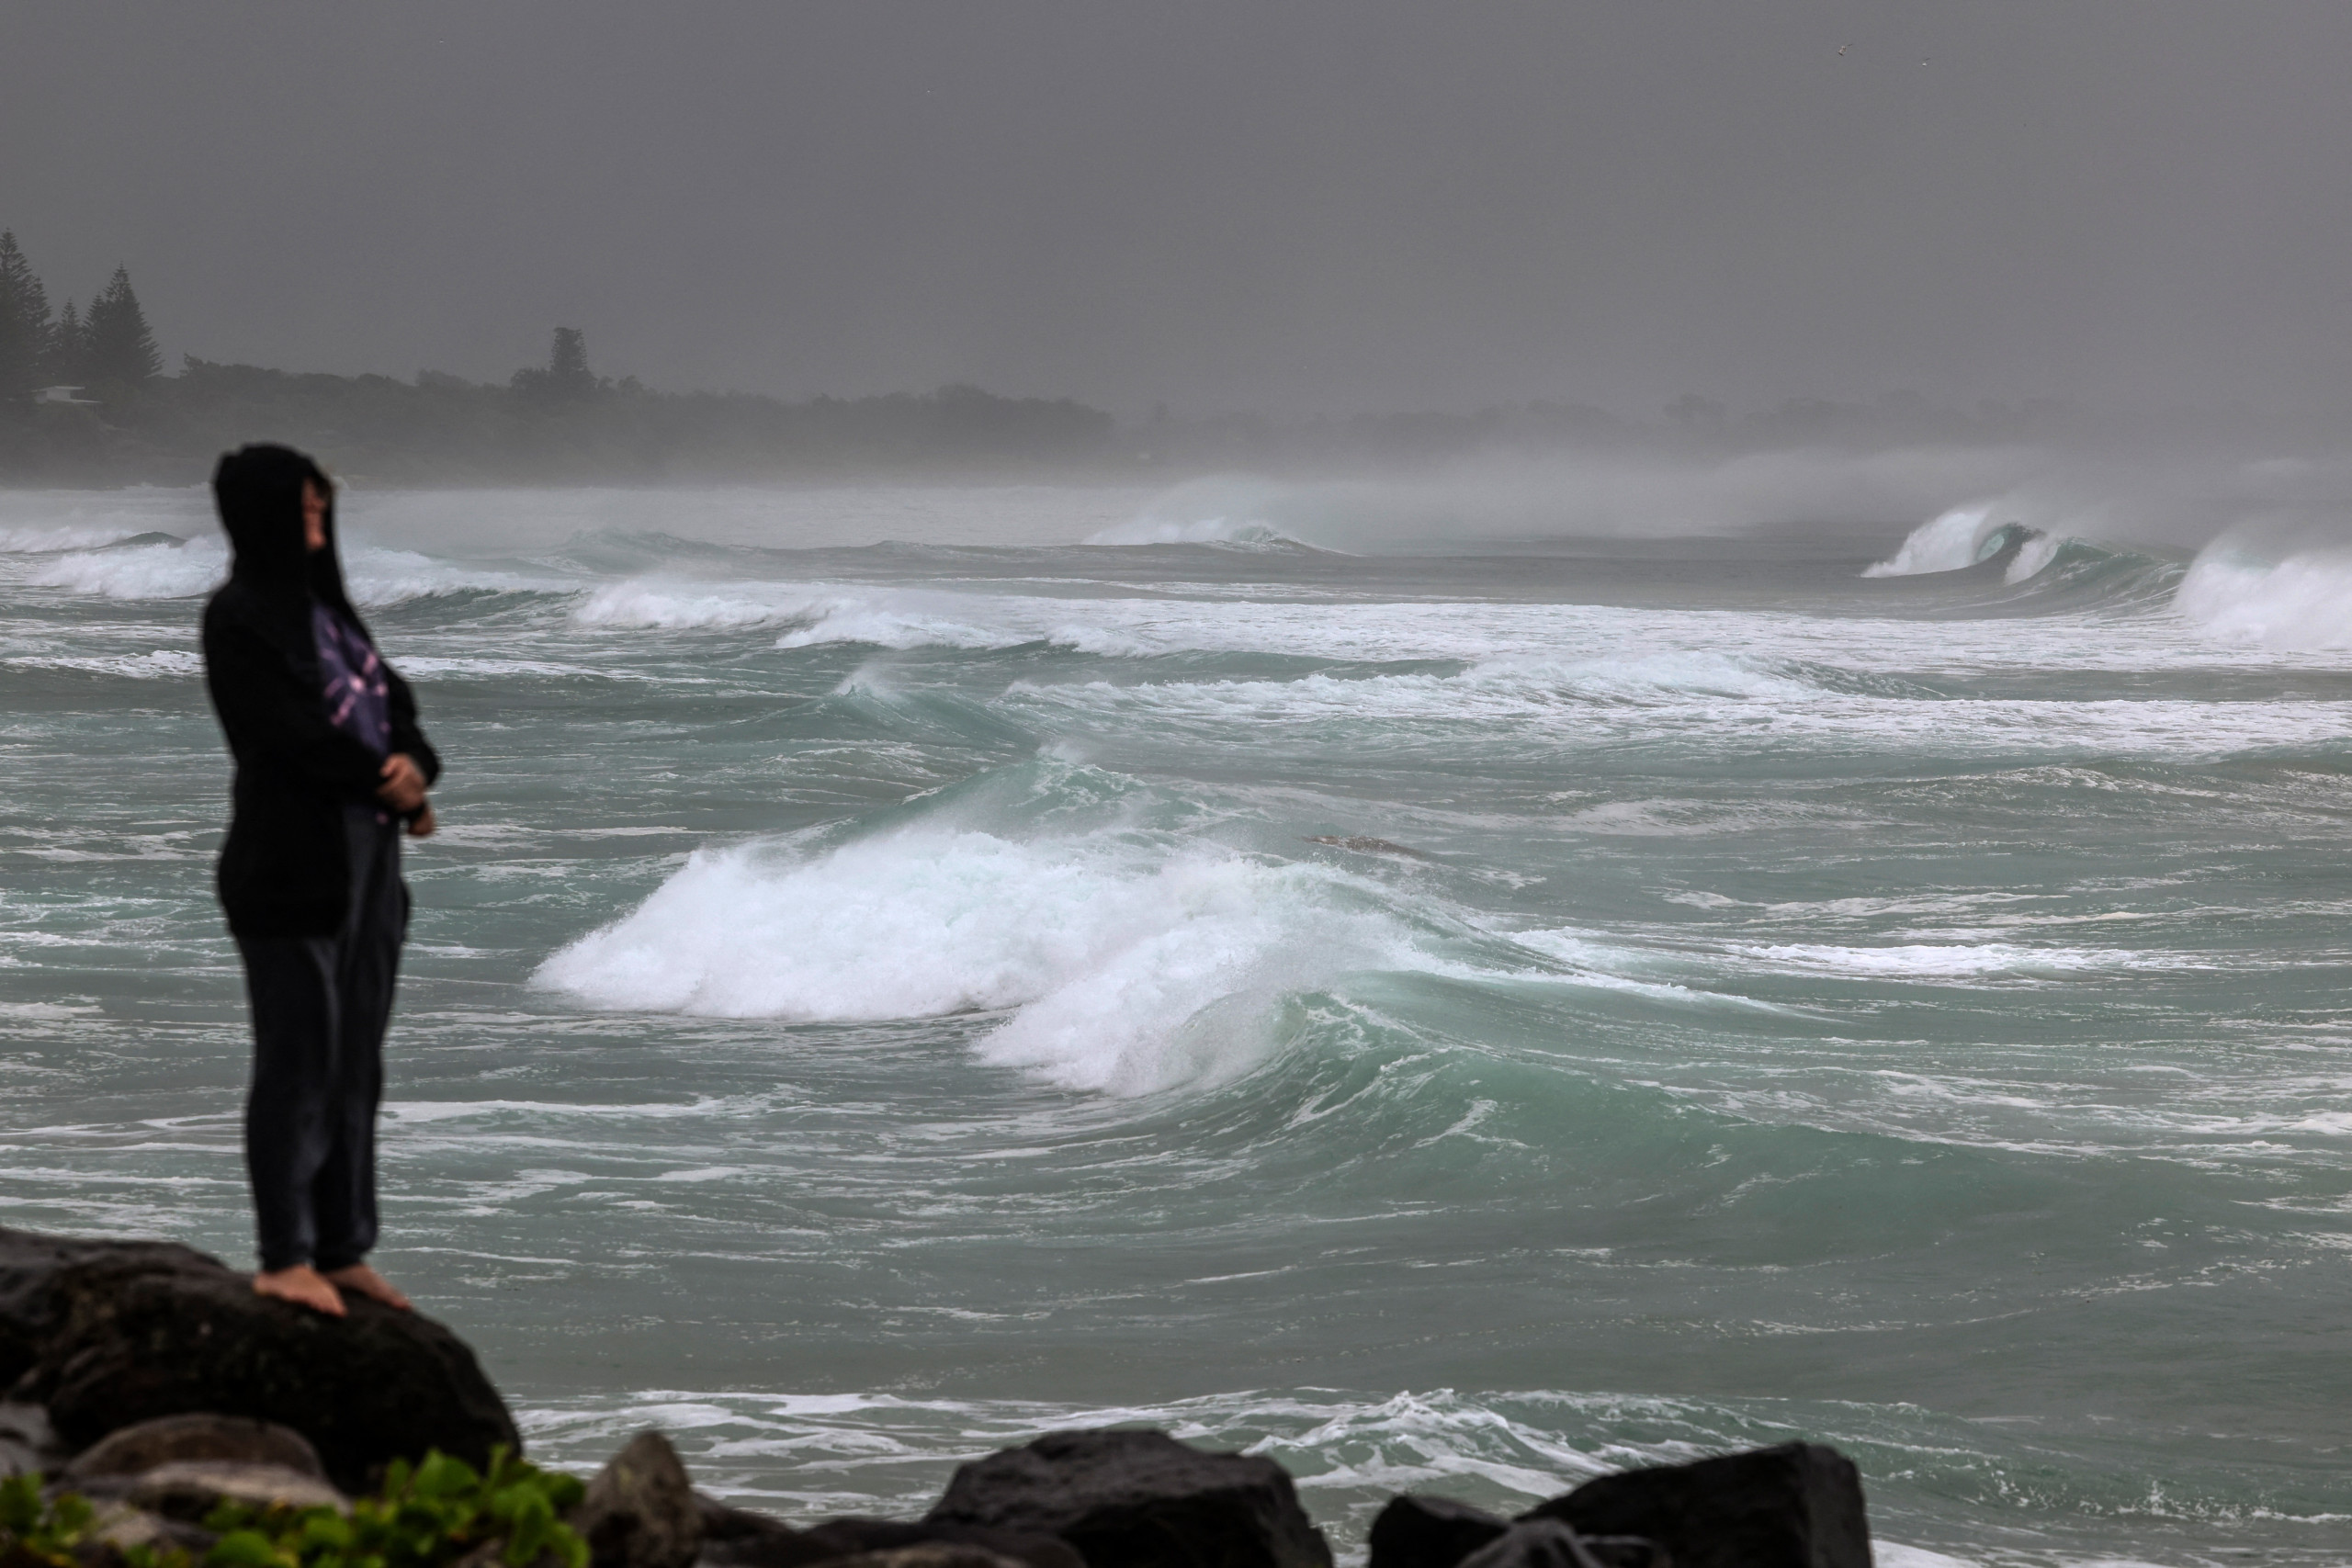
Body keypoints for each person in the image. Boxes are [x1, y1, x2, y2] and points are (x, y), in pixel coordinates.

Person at [201, 445, 439, 1317]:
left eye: (320, 511)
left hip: (369, 865)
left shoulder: (332, 615)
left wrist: (416, 771)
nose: (315, 524)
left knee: (353, 1065)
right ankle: (284, 1254)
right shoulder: (240, 618)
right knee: (298, 1061)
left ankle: (342, 1247)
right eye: (302, 510)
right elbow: (283, 732)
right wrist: (386, 779)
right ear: (260, 516)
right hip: (288, 866)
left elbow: (395, 708)